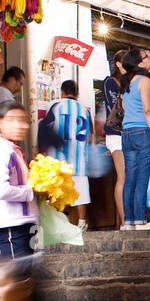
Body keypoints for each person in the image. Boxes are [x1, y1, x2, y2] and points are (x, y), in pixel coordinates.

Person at [103, 49, 150, 229]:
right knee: (142, 178)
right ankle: (140, 221)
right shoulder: (143, 81)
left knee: (129, 179)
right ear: (139, 64)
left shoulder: (125, 83)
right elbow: (148, 110)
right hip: (142, 132)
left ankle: (128, 222)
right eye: (146, 57)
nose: (149, 58)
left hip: (127, 134)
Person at [0, 100, 37, 259]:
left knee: (26, 274)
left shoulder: (12, 148)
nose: (20, 125)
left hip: (24, 222)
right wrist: (32, 191)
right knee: (17, 274)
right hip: (10, 223)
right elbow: (1, 190)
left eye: (23, 120)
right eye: (12, 120)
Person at [46, 80, 96, 229]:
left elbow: (47, 130)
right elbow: (92, 135)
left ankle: (56, 222)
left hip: (58, 158)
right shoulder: (84, 110)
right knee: (81, 193)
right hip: (79, 159)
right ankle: (81, 222)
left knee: (56, 191)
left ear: (62, 92)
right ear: (77, 93)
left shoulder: (55, 106)